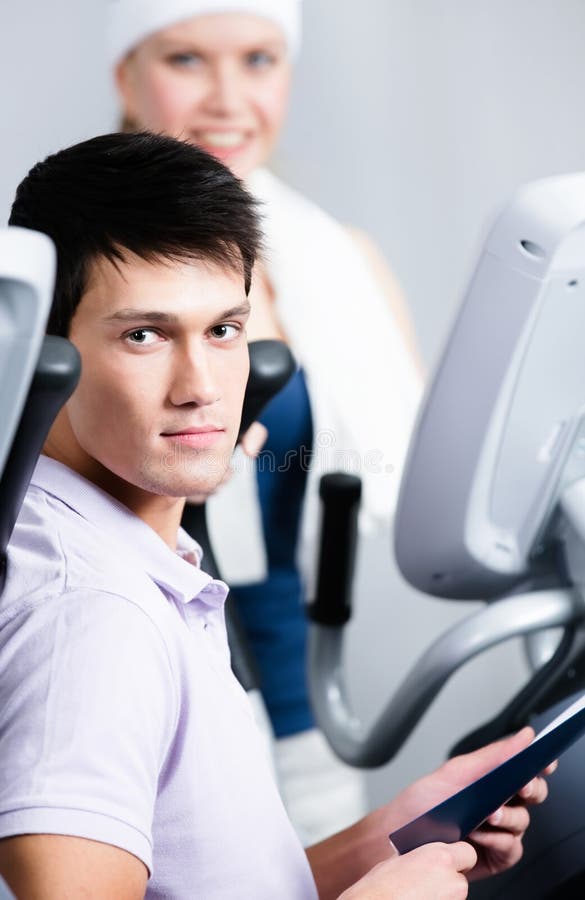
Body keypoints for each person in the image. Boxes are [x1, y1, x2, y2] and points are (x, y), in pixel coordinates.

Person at [0, 132, 551, 899]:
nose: (201, 385)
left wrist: (391, 834)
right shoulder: (91, 615)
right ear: (51, 349)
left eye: (224, 329)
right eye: (144, 335)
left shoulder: (132, 560)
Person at [108, 0, 424, 844]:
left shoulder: (341, 261)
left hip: (313, 708)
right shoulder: (77, 273)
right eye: (184, 60)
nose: (226, 99)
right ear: (124, 76)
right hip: (153, 720)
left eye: (257, 60)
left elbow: (433, 480)